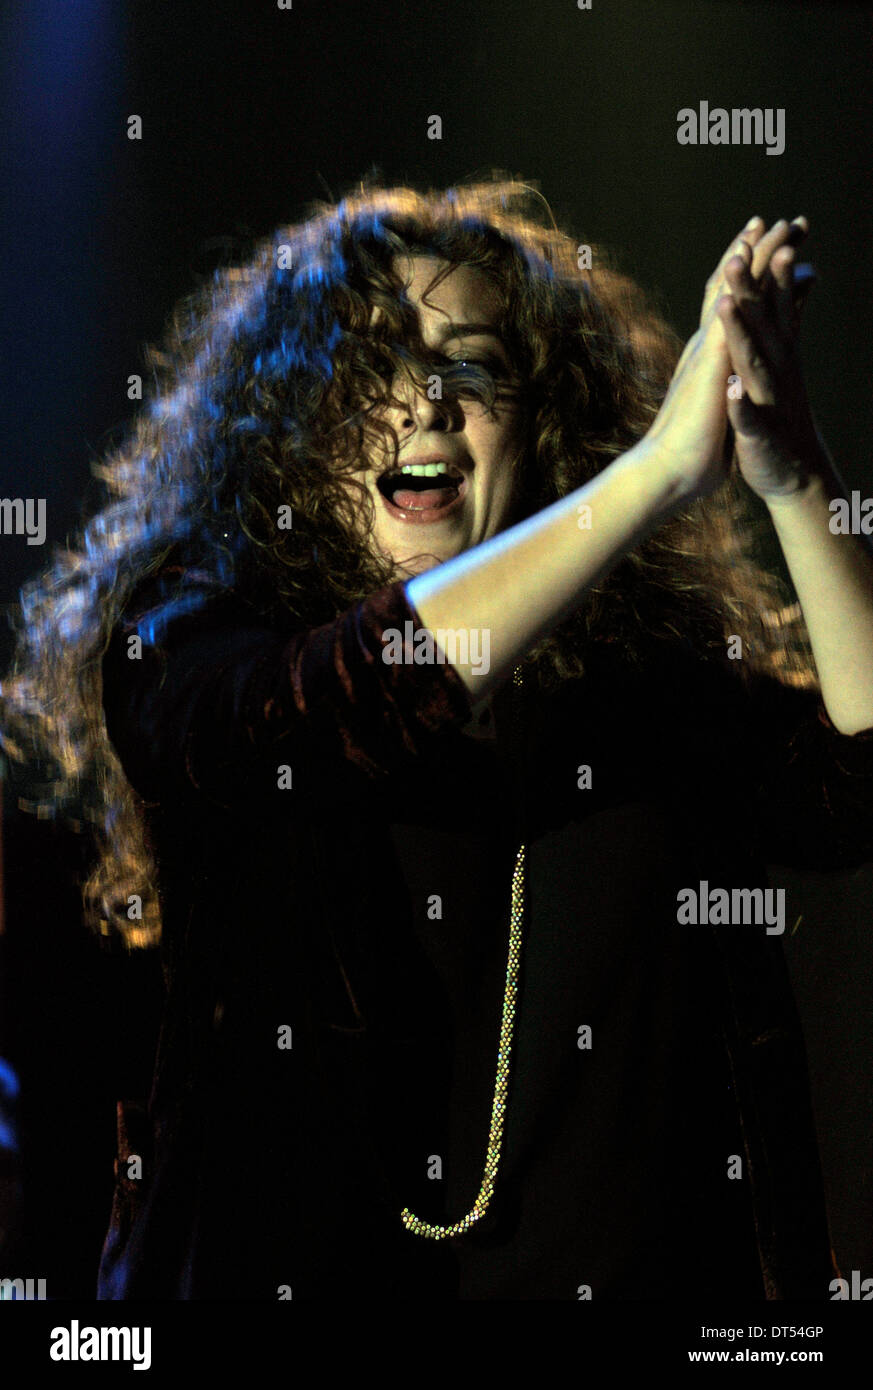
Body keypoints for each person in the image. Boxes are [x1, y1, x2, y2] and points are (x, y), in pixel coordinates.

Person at [3, 177, 873, 1301]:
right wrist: (653, 474)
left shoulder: (644, 679)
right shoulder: (193, 638)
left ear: (545, 424)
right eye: (368, 369)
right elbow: (340, 704)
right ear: (288, 436)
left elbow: (856, 781)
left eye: (475, 367)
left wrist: (792, 470)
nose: (423, 401)